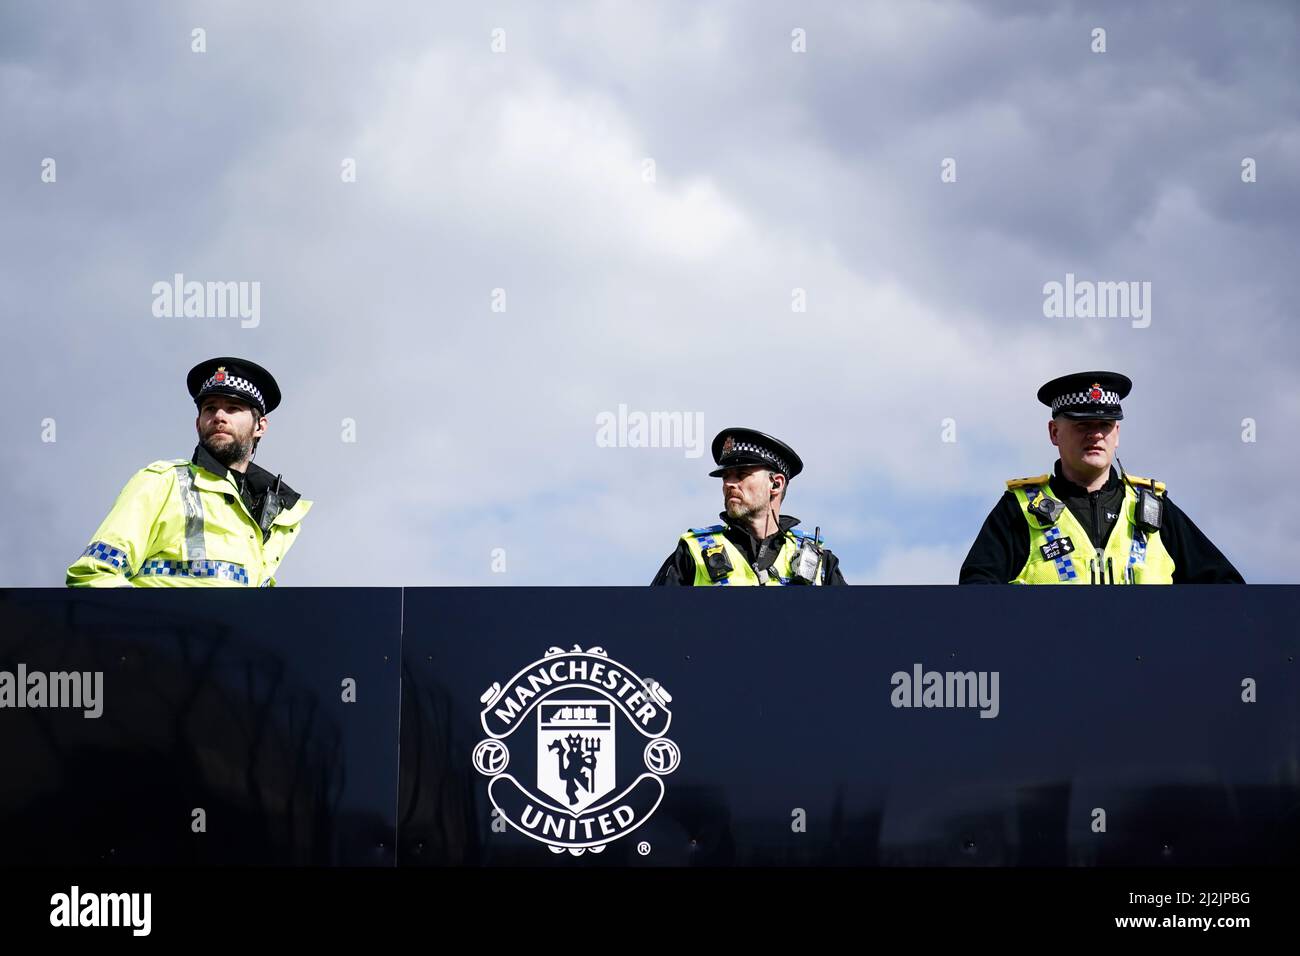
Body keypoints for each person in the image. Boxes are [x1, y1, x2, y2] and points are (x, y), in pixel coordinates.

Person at [959, 371, 1243, 584]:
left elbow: (1226, 590)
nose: (1095, 434)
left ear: (1116, 434)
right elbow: (977, 600)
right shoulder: (1019, 509)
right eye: (1083, 424)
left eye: (1105, 425)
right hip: (1052, 662)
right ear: (1054, 433)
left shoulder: (1154, 508)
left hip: (1149, 663)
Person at [66, 357, 312, 587]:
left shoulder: (275, 516)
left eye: (233, 408)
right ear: (198, 423)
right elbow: (93, 574)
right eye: (210, 408)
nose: (219, 417)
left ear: (260, 426)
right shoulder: (163, 482)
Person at [652, 427, 846, 586]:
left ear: (776, 484)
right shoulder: (692, 553)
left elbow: (852, 627)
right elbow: (650, 621)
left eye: (741, 475)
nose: (729, 483)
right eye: (726, 476)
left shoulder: (821, 563)